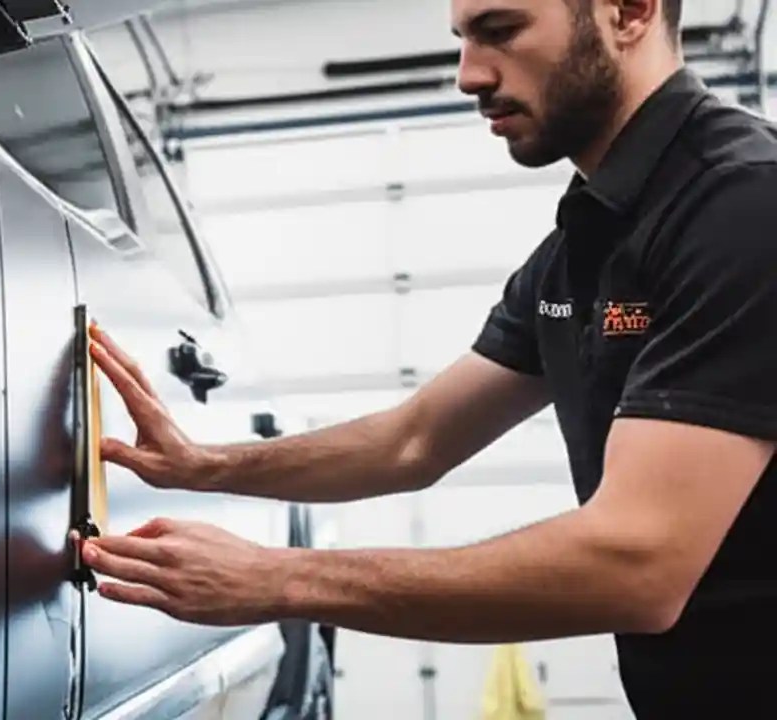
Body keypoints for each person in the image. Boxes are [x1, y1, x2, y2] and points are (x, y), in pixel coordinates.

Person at [77, 0, 777, 716]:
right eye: (463, 39)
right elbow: (414, 439)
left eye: (500, 31)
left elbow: (640, 565)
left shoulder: (743, 201)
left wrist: (275, 580)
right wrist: (203, 465)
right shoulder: (588, 241)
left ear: (628, 12)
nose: (468, 75)